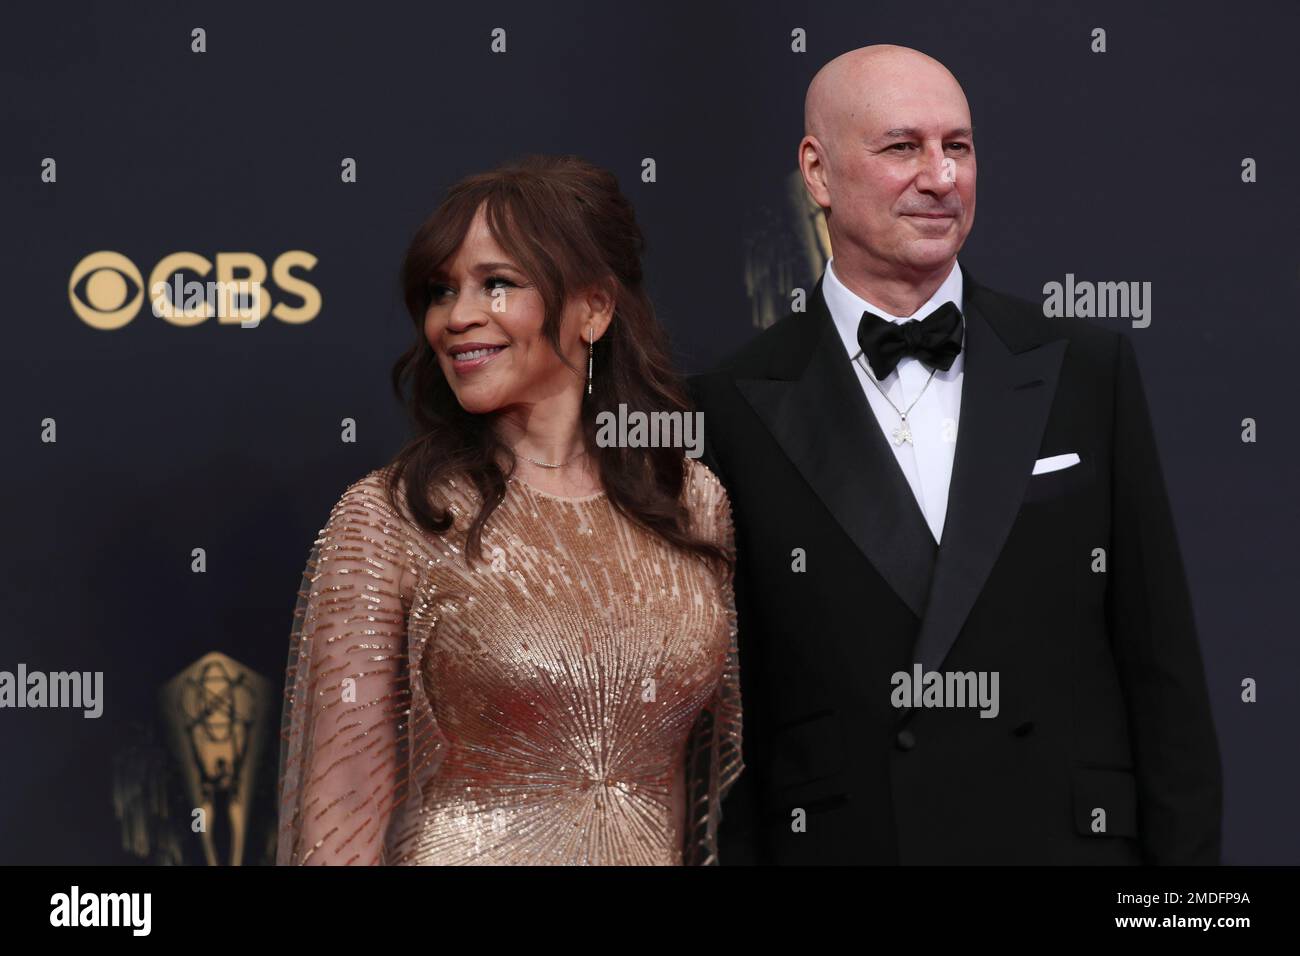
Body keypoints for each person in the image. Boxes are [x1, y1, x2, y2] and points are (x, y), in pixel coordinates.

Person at [690, 45, 1221, 864]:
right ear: (818, 172)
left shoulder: (1085, 369)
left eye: (959, 147)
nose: (941, 177)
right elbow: (730, 711)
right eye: (903, 147)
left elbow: (1165, 678)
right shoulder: (726, 406)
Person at [276, 154, 742, 865]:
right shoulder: (392, 516)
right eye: (441, 291)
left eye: (497, 284)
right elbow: (341, 805)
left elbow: (684, 779)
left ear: (595, 307)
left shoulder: (690, 500)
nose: (458, 317)